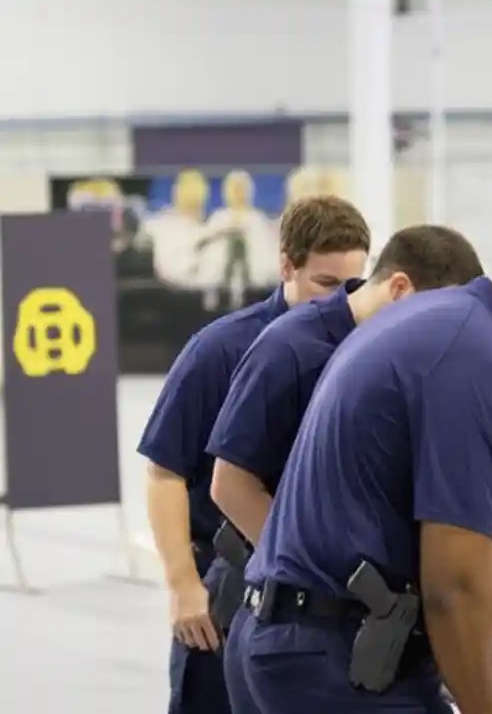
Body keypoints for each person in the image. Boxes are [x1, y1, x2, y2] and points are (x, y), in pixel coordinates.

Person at [226, 236, 492, 712]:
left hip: (289, 638)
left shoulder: (441, 321)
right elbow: (454, 591)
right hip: (335, 657)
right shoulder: (476, 369)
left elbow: (482, 547)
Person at [139, 196, 372, 714]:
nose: (338, 300)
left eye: (352, 286)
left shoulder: (363, 353)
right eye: (326, 284)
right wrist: (182, 586)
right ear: (287, 265)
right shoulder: (220, 350)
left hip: (324, 605)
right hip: (225, 589)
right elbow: (164, 472)